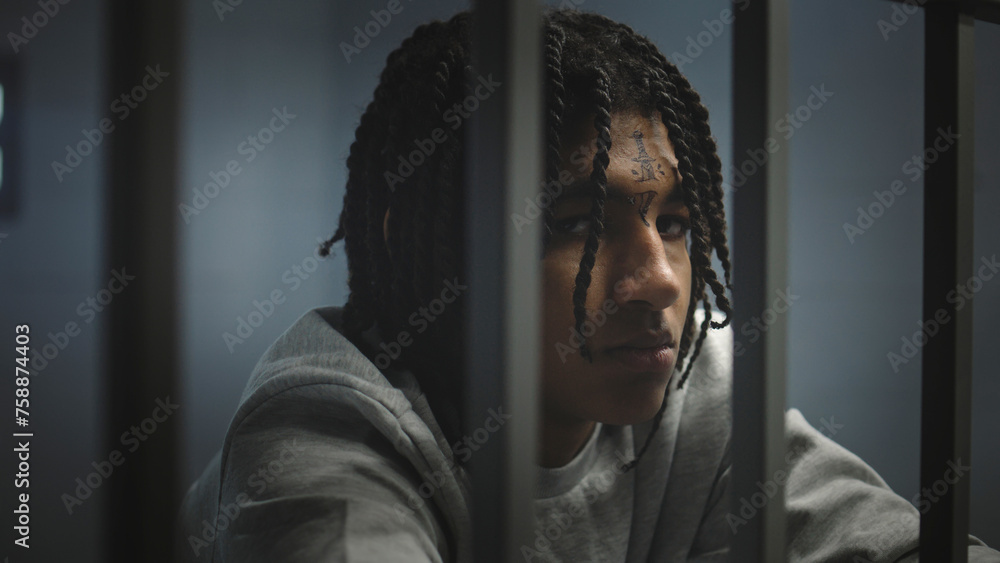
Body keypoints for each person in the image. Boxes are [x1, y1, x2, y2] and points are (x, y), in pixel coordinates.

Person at [177, 9, 999, 562]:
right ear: (421, 245)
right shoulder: (324, 431)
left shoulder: (690, 381)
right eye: (575, 222)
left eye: (673, 220)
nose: (660, 282)